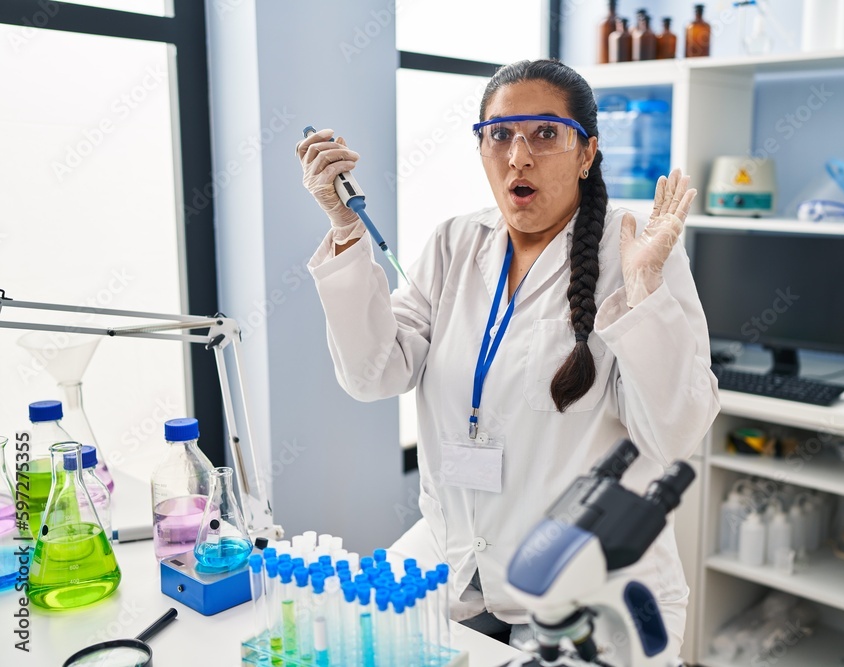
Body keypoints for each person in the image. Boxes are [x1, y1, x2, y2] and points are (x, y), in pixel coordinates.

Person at [296, 59, 719, 657]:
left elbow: (672, 433)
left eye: (545, 133)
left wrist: (645, 287)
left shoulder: (635, 250)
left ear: (586, 152)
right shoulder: (454, 243)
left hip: (591, 587)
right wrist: (344, 225)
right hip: (459, 563)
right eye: (500, 134)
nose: (518, 155)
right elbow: (374, 374)